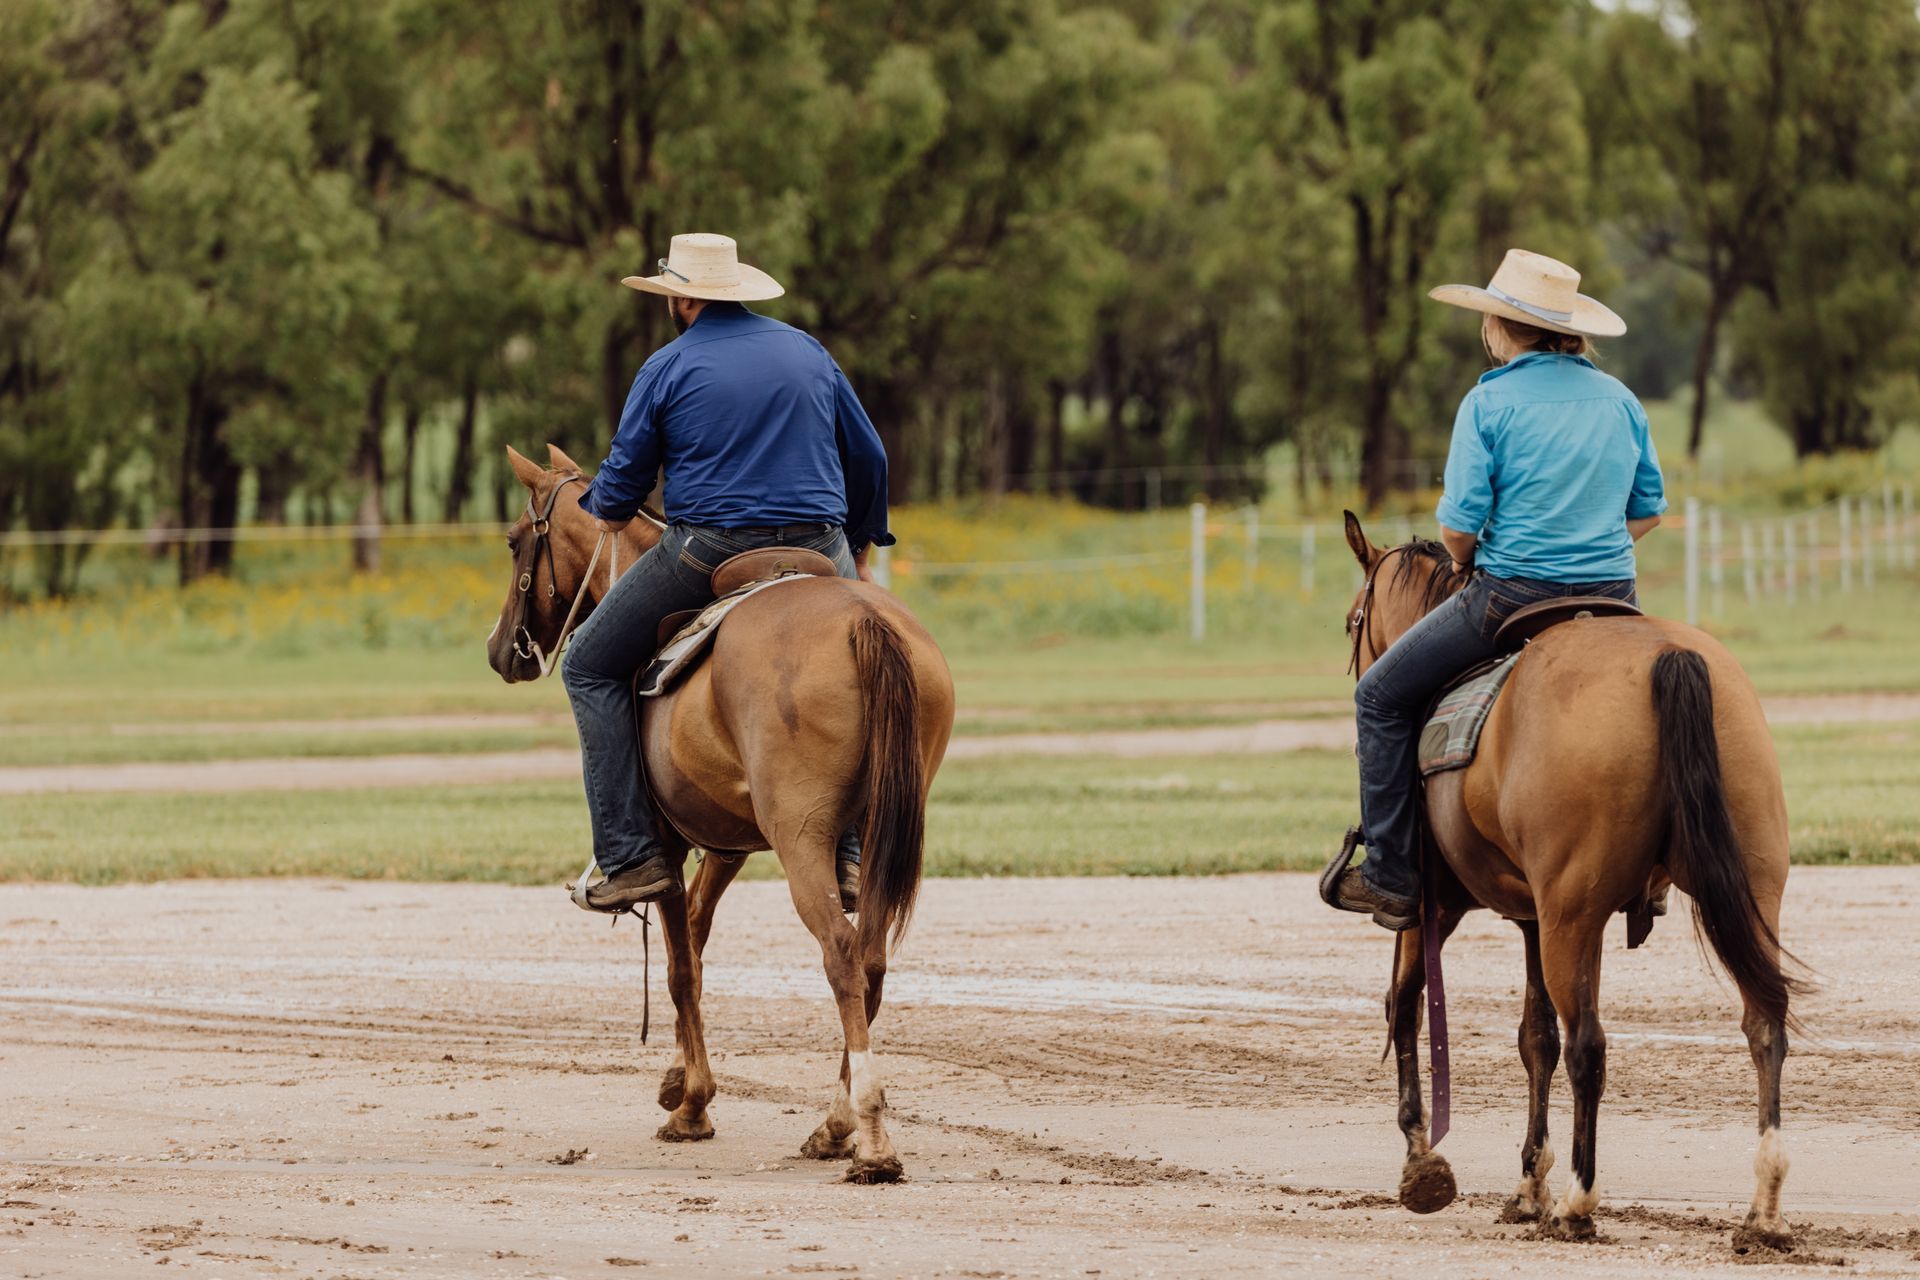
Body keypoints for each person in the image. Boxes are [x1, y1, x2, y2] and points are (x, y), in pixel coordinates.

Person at [1326, 249, 1668, 930]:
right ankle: (1653, 869)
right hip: (1613, 599)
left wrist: (1505, 553)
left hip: (1511, 597)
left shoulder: (1488, 401)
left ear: (1500, 327)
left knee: (1380, 698)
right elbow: (1648, 510)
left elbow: (1455, 534)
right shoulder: (1622, 400)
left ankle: (1392, 874)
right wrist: (1589, 548)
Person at [564, 232, 893, 914]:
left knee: (588, 665)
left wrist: (600, 501)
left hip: (710, 551)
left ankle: (631, 856)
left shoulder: (668, 365)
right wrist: (860, 543)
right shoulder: (809, 351)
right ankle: (852, 849)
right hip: (820, 550)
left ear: (681, 298)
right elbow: (871, 460)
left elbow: (622, 490)